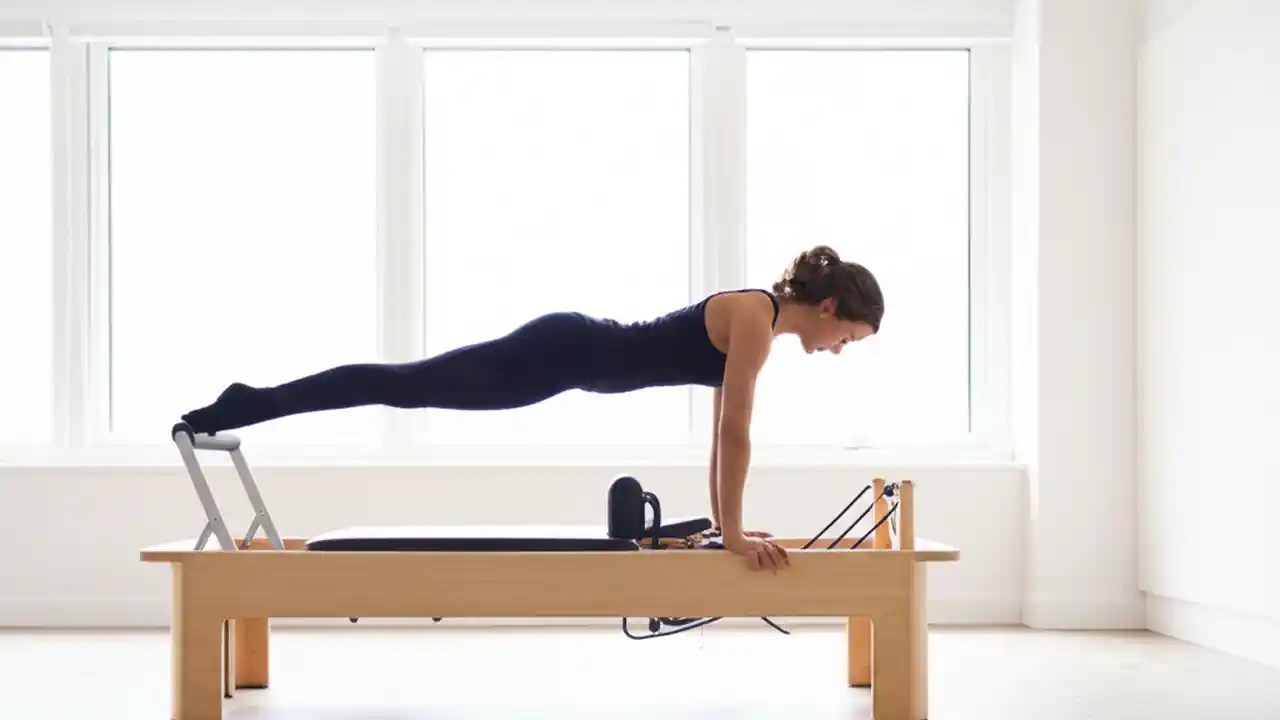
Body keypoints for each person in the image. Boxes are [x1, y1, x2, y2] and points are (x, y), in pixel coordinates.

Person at [179, 245, 884, 571]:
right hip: (556, 353)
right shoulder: (755, 320)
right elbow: (735, 434)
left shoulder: (756, 321)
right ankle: (253, 403)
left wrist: (727, 529)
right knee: (404, 383)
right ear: (828, 308)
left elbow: (722, 437)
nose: (839, 349)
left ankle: (255, 402)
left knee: (406, 384)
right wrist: (730, 537)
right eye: (847, 337)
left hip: (561, 359)